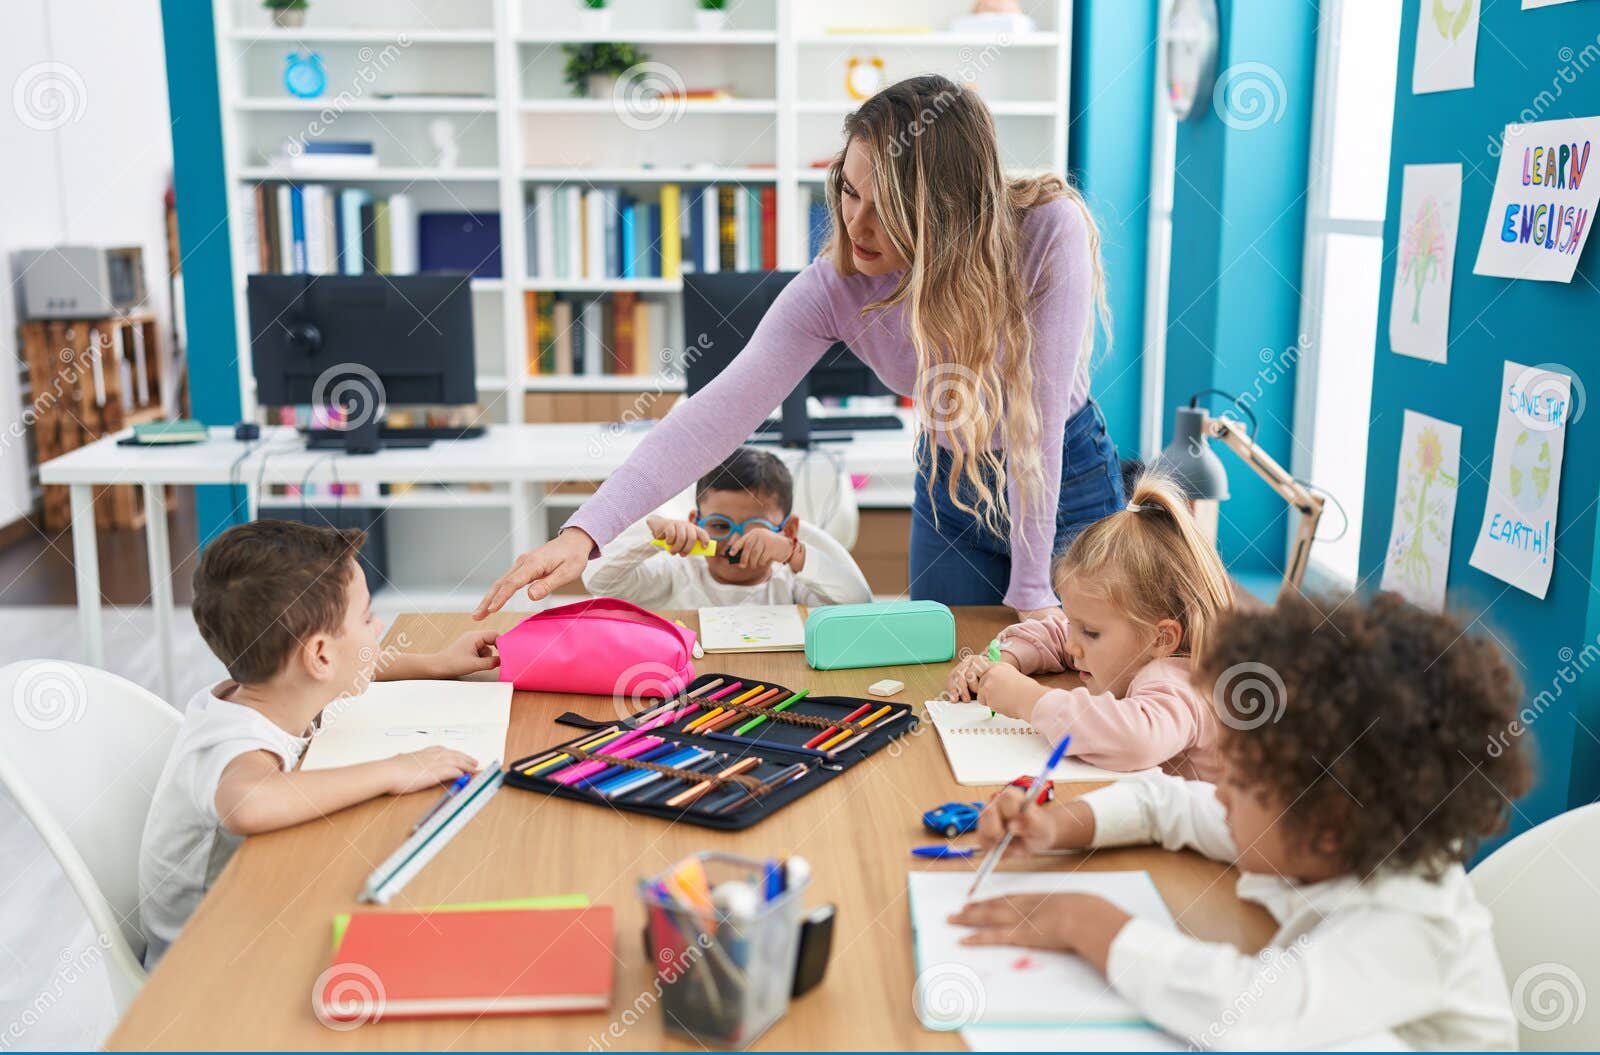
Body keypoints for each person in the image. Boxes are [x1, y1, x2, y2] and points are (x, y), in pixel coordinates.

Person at [475, 74, 1120, 623]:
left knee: (1079, 681)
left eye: (889, 207)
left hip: (1065, 478)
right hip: (948, 478)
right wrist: (585, 533)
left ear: (946, 211)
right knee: (947, 675)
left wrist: (1034, 596)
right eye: (849, 190)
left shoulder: (1043, 233)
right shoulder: (832, 288)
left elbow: (1035, 428)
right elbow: (711, 415)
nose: (856, 226)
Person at [952, 592, 1533, 1050]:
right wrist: (1061, 824)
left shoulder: (1413, 925)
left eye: (1242, 781)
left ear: (1327, 823)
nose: (1219, 791)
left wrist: (1086, 922)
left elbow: (1247, 1014)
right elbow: (1168, 802)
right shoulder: (1330, 835)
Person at [138, 520, 500, 965]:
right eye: (367, 618)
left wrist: (438, 663)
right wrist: (396, 769)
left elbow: (347, 668)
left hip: (251, 911)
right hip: (207, 962)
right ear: (321, 655)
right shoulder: (237, 743)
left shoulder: (268, 687)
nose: (379, 625)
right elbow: (248, 803)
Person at [944, 475, 1232, 781]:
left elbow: (1136, 741)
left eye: (1090, 633)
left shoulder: (1177, 682)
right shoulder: (1134, 647)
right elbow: (1056, 632)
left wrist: (1027, 699)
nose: (1071, 645)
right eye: (1073, 623)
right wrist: (1005, 659)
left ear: (1163, 637)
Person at [583, 447, 871, 608]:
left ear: (788, 530)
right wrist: (652, 538)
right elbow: (597, 579)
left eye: (755, 528)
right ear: (696, 522)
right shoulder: (676, 575)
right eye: (720, 525)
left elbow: (859, 603)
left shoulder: (791, 586)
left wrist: (792, 553)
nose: (735, 542)